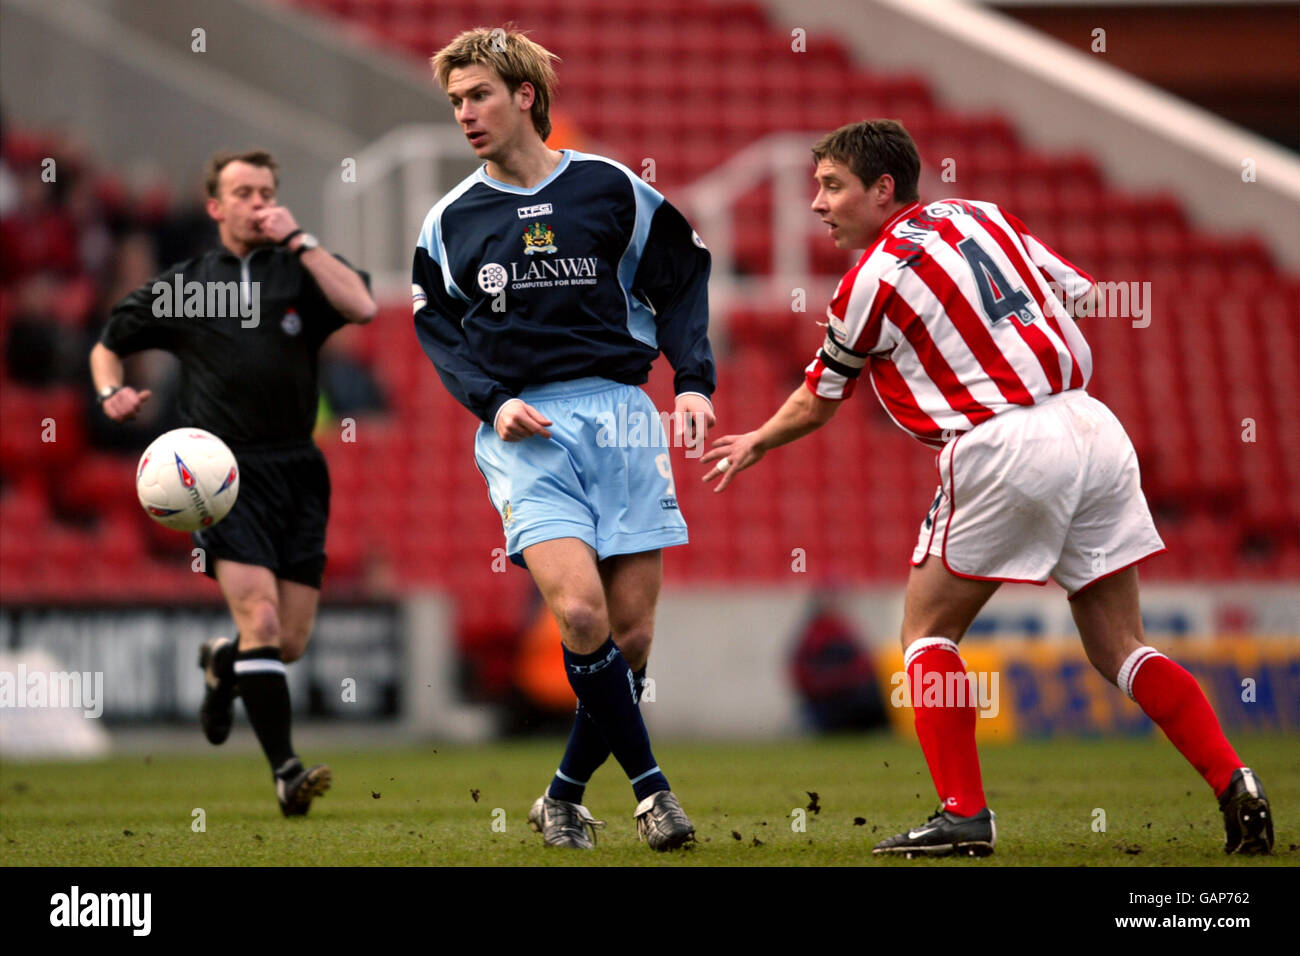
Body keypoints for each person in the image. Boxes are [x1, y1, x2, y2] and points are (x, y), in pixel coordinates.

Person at [702, 119, 1273, 858]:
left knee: (927, 633)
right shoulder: (984, 215)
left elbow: (819, 398)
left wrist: (755, 439)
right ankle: (1235, 781)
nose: (817, 203)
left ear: (883, 190)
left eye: (833, 186)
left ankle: (964, 815)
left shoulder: (869, 278)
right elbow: (1084, 295)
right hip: (1092, 427)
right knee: (1122, 646)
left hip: (1002, 442)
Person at [414, 27, 715, 851]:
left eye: (477, 95)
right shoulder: (450, 221)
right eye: (454, 102)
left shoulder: (612, 190)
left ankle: (564, 795)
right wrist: (490, 401)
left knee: (634, 635)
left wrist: (692, 381)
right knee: (579, 613)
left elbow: (684, 274)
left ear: (524, 96)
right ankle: (653, 793)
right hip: (526, 430)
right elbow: (436, 327)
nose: (465, 114)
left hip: (621, 415)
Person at [90, 149, 377, 816]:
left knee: (289, 642)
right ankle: (286, 771)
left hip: (300, 470)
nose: (256, 202)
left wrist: (302, 241)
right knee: (264, 618)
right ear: (215, 205)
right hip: (218, 476)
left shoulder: (301, 270)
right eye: (242, 192)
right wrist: (110, 392)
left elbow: (362, 306)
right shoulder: (188, 284)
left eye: (266, 191)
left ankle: (224, 665)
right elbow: (110, 341)